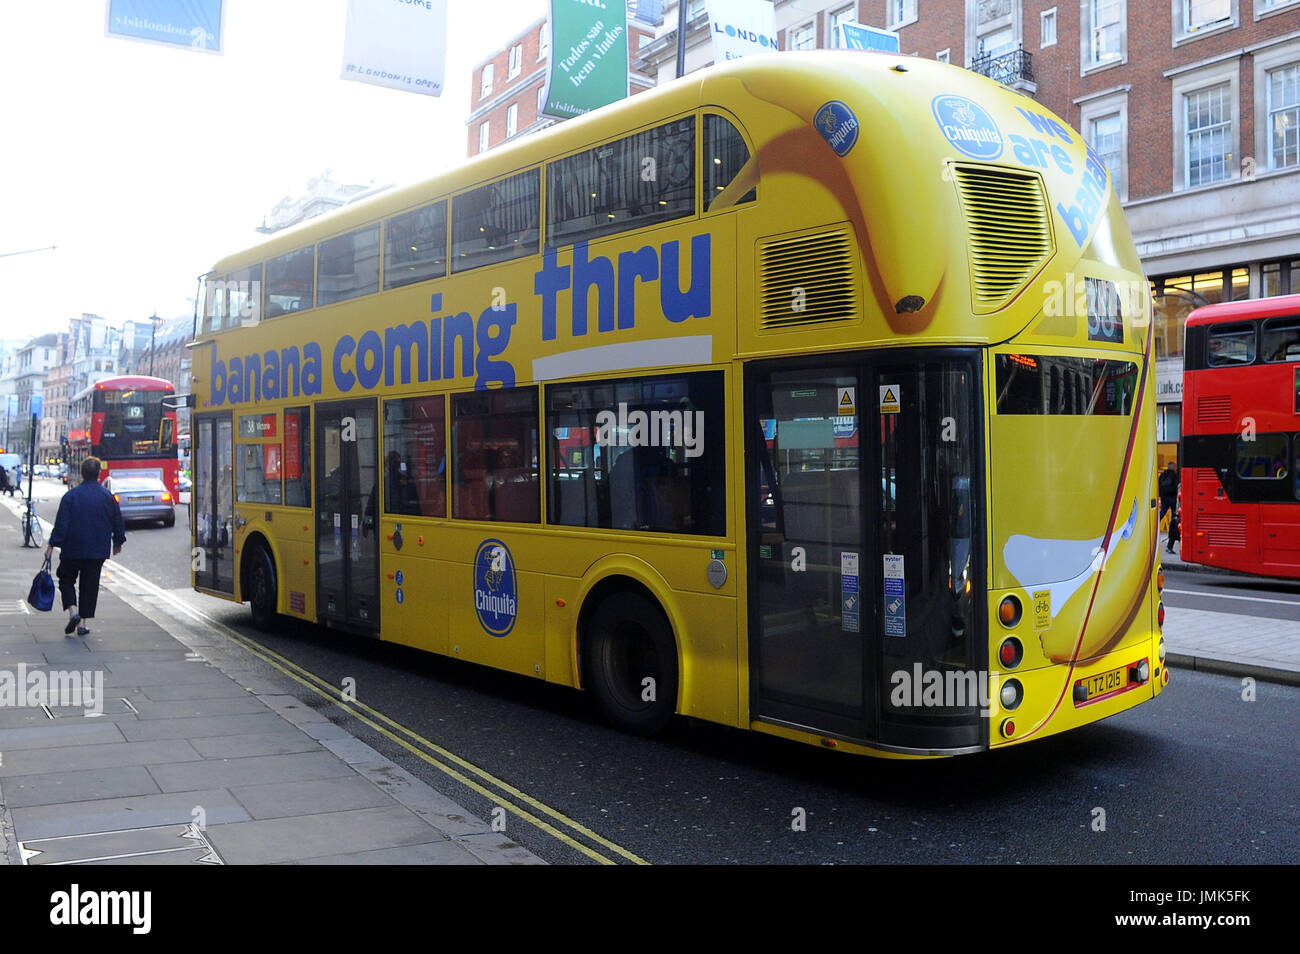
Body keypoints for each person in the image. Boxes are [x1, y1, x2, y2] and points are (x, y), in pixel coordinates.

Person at [44, 457, 126, 637]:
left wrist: (52, 545)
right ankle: (82, 625)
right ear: (98, 474)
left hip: (73, 548)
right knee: (89, 585)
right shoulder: (108, 497)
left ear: (82, 473)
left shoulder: (71, 496)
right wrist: (118, 541)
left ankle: (73, 612)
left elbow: (61, 524)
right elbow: (117, 521)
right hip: (97, 549)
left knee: (65, 579)